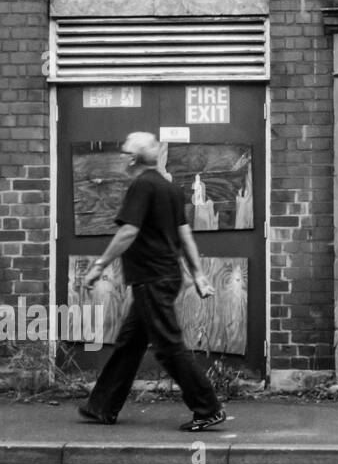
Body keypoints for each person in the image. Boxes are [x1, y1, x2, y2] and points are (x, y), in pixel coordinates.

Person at [78, 131, 227, 431]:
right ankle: (102, 406)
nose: (122, 157)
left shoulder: (142, 186)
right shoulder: (168, 188)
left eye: (124, 152)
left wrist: (98, 265)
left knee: (169, 346)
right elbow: (184, 234)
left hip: (152, 279)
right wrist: (197, 274)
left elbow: (128, 231)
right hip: (164, 276)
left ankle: (208, 408)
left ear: (133, 158)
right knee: (129, 344)